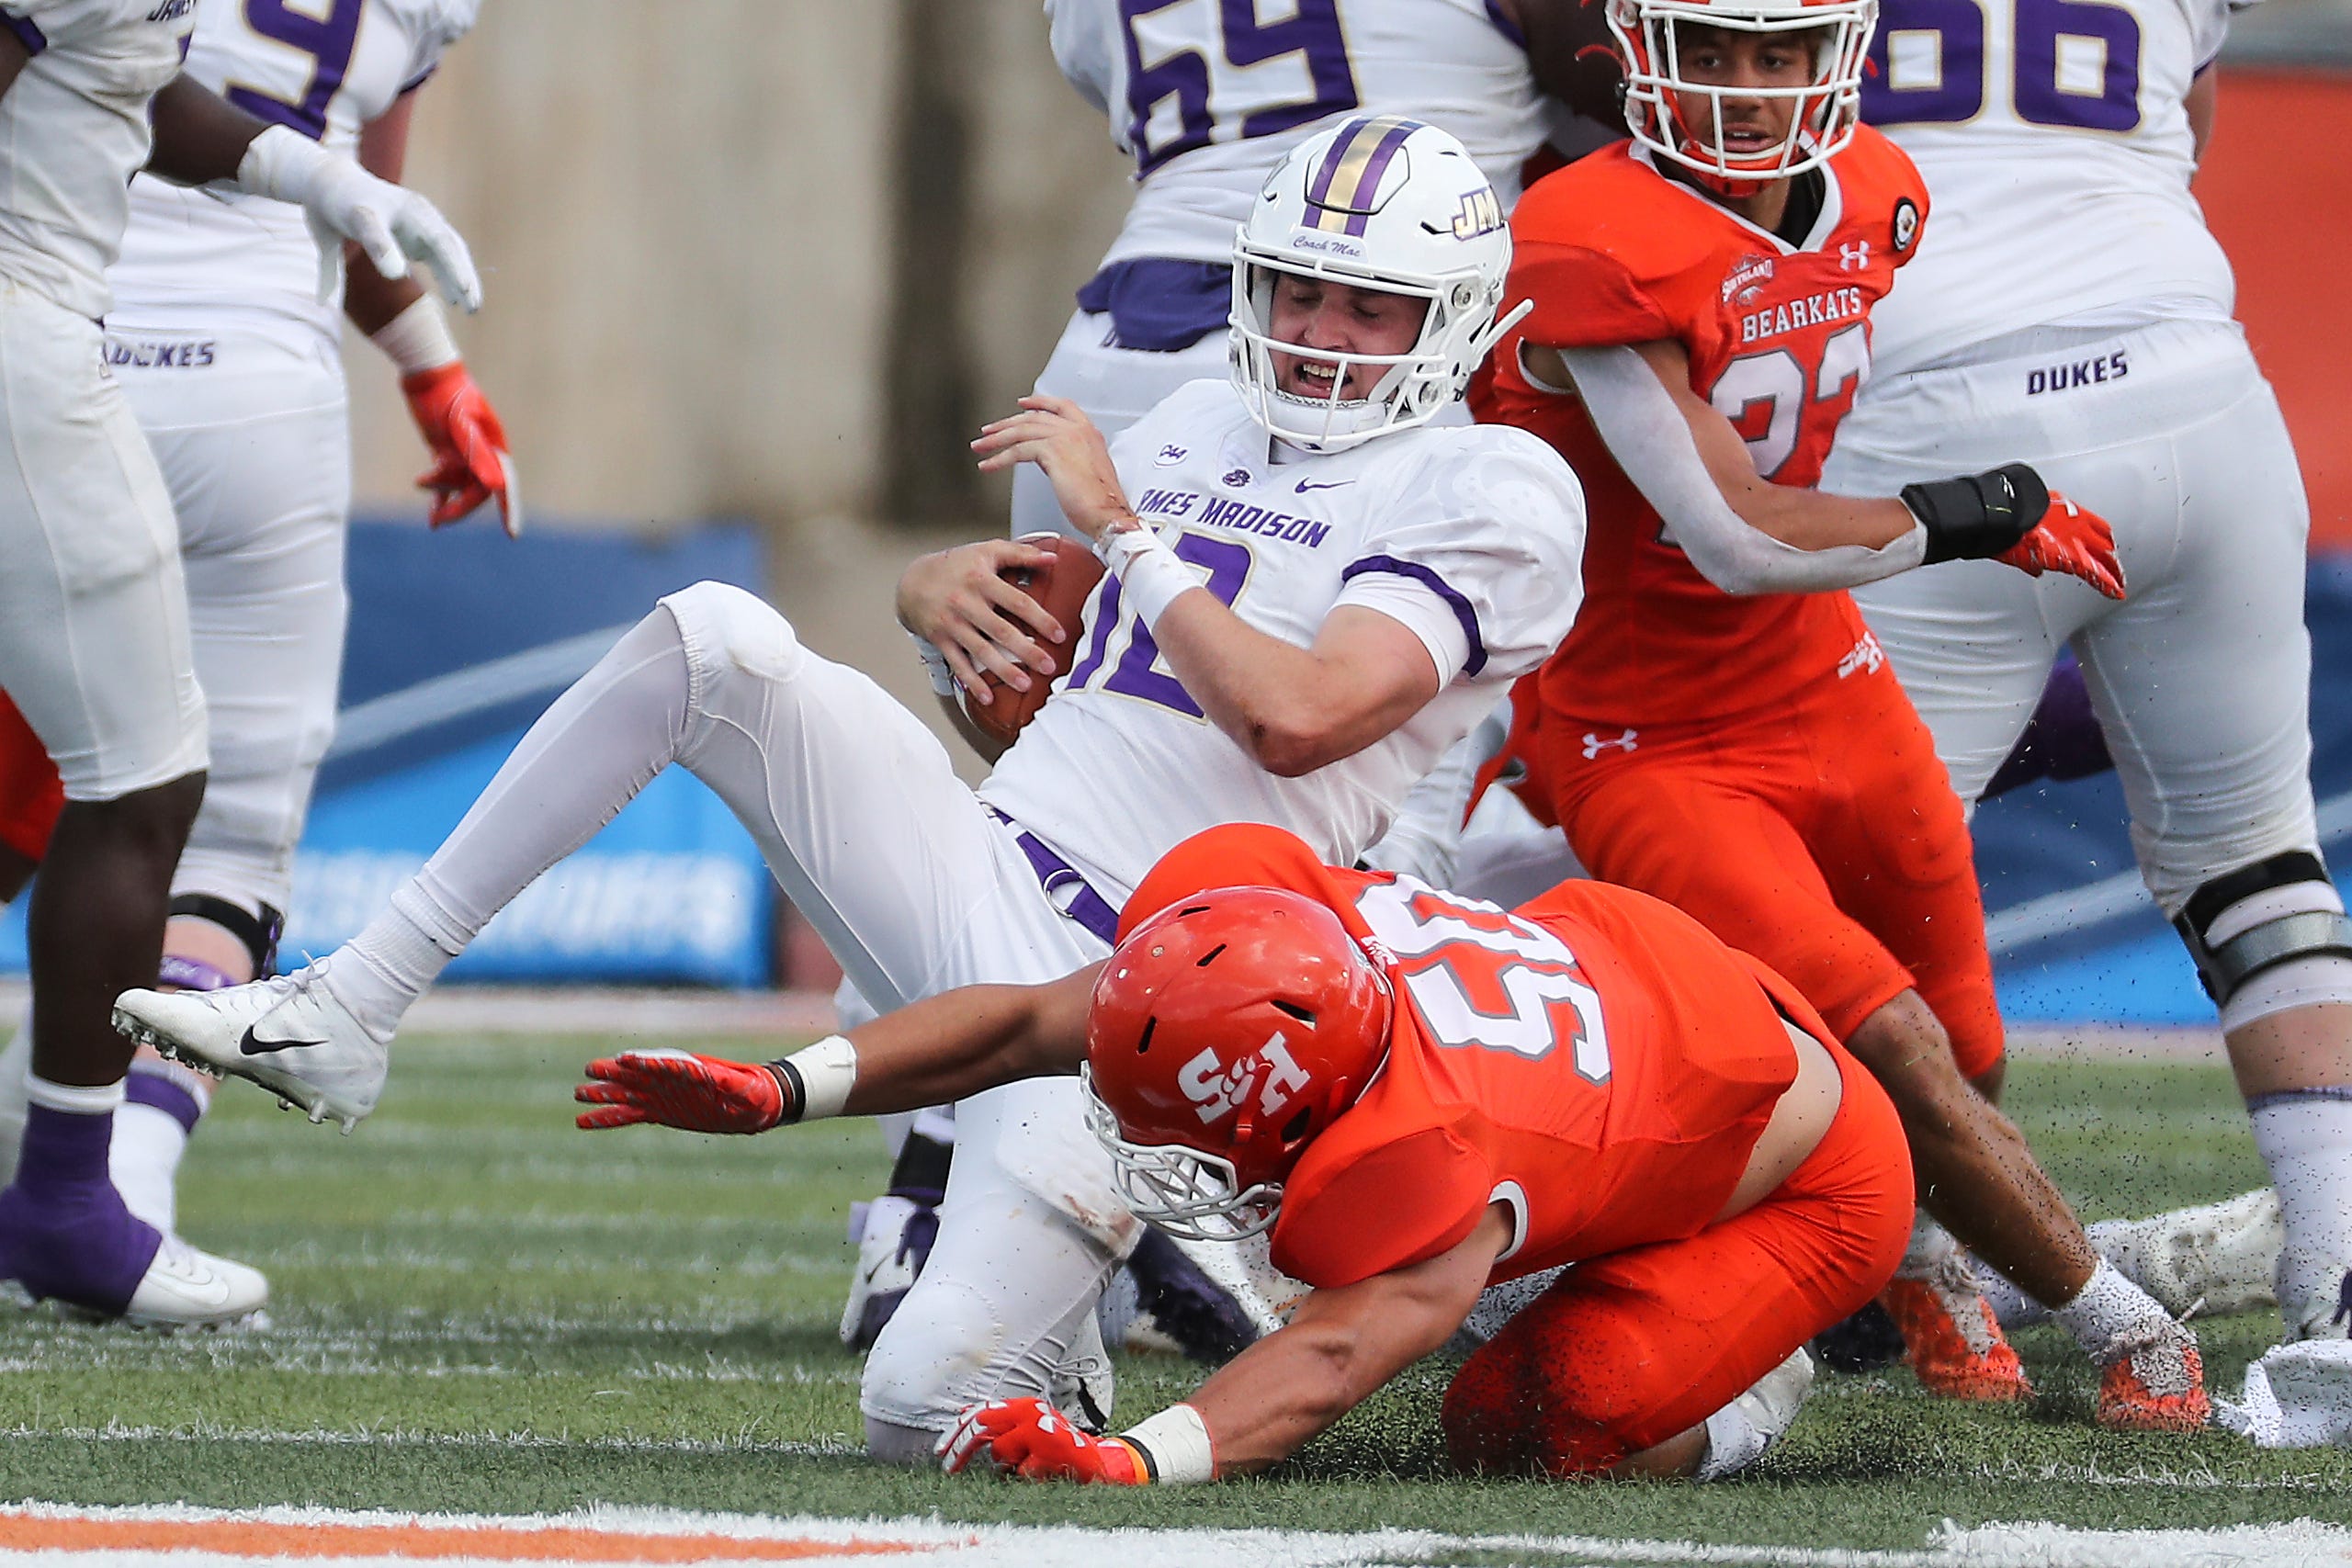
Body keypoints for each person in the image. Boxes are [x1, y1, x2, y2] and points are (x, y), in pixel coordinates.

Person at [113, 117, 1589, 1451]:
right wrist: (936, 605)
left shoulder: (1490, 488)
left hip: (1135, 996)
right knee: (716, 641)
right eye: (1300, 291)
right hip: (984, 863)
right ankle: (352, 1004)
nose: (1323, 335)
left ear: (1456, 319)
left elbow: (1295, 718)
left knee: (919, 1414)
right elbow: (1064, 710)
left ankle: (1095, 1313)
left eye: (1370, 305)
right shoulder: (1202, 421)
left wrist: (1121, 529)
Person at [838, 0, 1625, 1353]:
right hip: (1320, 370)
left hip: (1131, 336)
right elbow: (1601, 84)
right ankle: (1197, 1189)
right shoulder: (1456, 445)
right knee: (1318, 827)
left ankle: (938, 1203)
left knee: (1076, 800)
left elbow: (1118, 93)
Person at [1464, 0, 2207, 1428]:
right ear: (1639, 50)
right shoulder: (1589, 236)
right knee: (1891, 1042)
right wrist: (1982, 511)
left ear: (1834, 57)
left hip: (1820, 673)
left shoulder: (1877, 191)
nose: (1745, 87)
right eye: (1711, 50)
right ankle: (2123, 1322)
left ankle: (1920, 1255)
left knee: (1968, 1032)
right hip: (1645, 730)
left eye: (1778, 53)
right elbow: (1732, 533)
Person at [571, 819, 1917, 1481]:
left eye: (1203, 1134)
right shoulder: (1282, 962)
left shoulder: (1441, 1143)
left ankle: (1755, 1385)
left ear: (1314, 1107)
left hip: (1807, 1172)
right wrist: (782, 1088)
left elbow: (1333, 1356)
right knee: (1469, 1259)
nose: (1161, 1153)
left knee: (1529, 1416)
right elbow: (1028, 1023)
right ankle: (1595, 1264)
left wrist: (1136, 1459)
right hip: (1649, 1027)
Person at [1819, 0, 2352, 1348]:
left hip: (1934, 406)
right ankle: (2337, 1270)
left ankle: (1871, 1263)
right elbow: (2184, 125)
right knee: (2256, 859)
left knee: (1833, 893)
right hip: (2195, 382)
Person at [0, 0, 510, 1306]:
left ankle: (72, 1185)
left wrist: (315, 177)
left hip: (80, 346)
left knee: (59, 795)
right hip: (113, 362)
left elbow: (137, 85)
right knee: (180, 808)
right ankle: (88, 1193)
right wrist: (429, 362)